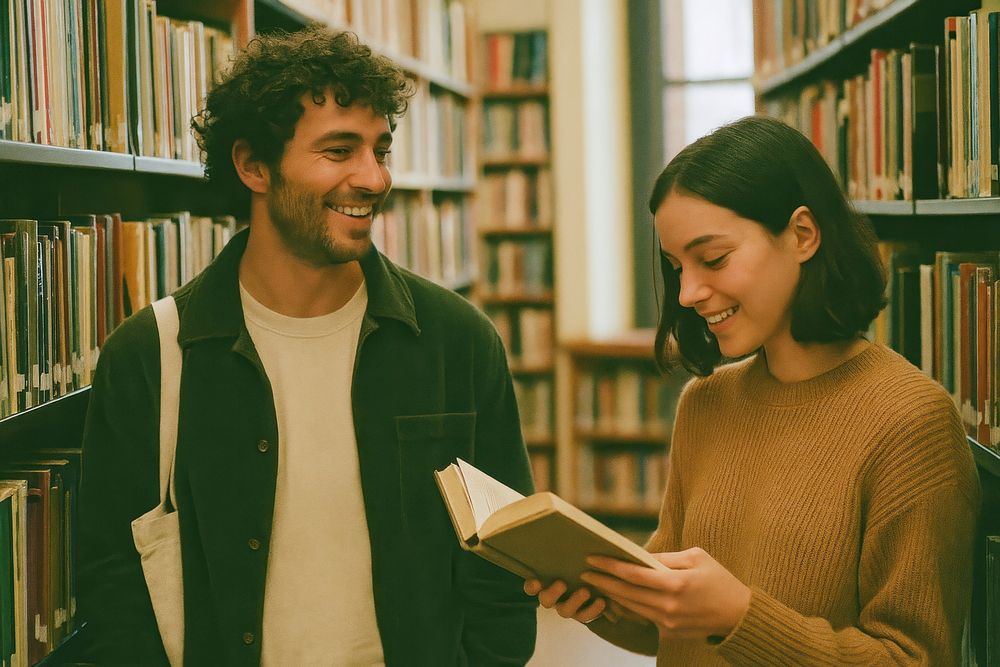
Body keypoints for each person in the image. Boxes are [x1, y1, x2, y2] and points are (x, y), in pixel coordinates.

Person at [78, 27, 537, 665]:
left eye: (380, 149)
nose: (373, 178)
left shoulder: (457, 343)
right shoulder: (151, 355)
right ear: (252, 166)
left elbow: (504, 565)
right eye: (339, 150)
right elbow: (112, 582)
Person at [525, 115, 980, 665]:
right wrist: (600, 603)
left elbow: (913, 658)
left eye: (712, 259)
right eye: (675, 267)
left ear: (803, 235)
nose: (689, 292)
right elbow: (673, 628)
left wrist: (739, 616)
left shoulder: (911, 423)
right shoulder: (706, 404)